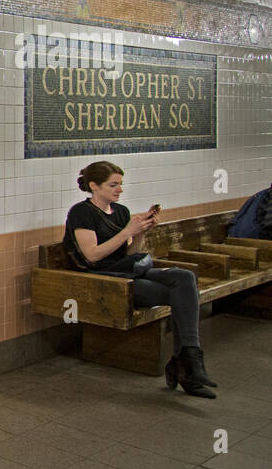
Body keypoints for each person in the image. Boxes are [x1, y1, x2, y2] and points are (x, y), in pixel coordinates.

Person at [64, 160, 216, 398]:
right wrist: (127, 231)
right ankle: (187, 366)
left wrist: (141, 233)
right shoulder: (81, 212)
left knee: (184, 278)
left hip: (126, 269)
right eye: (113, 185)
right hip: (104, 280)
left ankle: (188, 358)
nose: (120, 189)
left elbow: (129, 255)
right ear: (94, 186)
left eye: (120, 184)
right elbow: (92, 256)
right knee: (183, 297)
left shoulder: (121, 211)